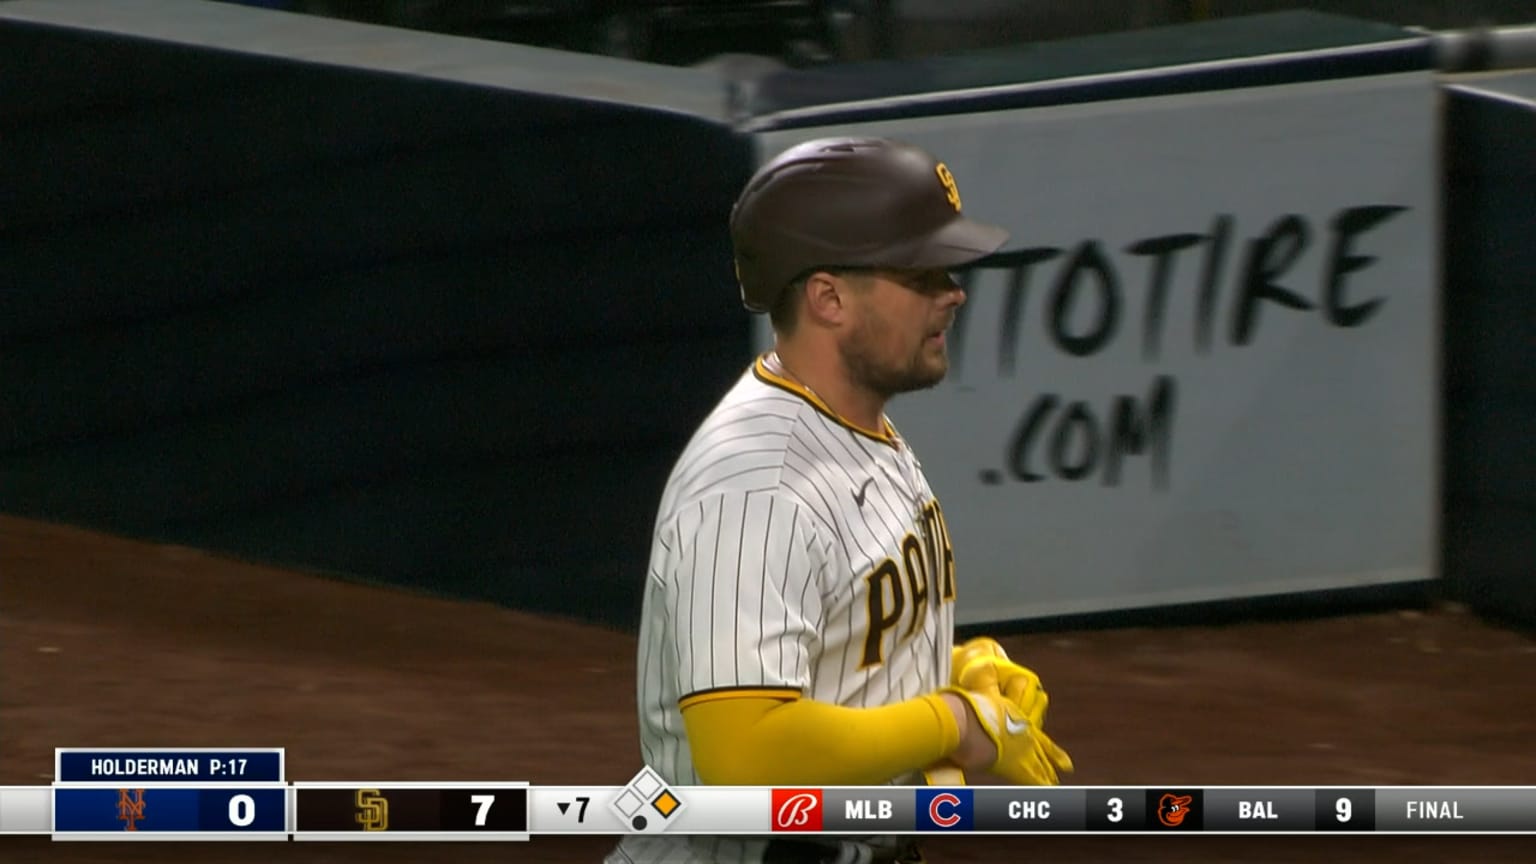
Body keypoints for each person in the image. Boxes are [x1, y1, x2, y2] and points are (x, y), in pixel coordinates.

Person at [608, 137, 1072, 864]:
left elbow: (829, 641)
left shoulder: (851, 426)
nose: (953, 292)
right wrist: (953, 722)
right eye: (920, 274)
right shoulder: (758, 487)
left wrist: (949, 668)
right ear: (828, 298)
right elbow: (745, 758)